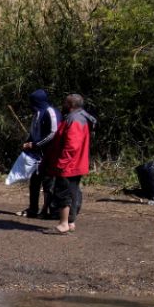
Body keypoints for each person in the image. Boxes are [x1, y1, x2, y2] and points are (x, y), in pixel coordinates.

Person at [40, 94, 94, 234]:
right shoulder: (80, 117)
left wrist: (61, 163)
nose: (63, 105)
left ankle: (63, 224)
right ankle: (70, 222)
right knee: (72, 192)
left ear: (70, 105)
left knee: (63, 193)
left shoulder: (75, 119)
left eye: (65, 102)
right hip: (75, 164)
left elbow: (72, 145)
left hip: (69, 165)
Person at [19, 89, 61, 218]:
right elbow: (34, 131)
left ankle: (49, 211)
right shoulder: (37, 113)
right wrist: (28, 142)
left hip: (49, 154)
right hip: (36, 155)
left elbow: (53, 133)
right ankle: (33, 209)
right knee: (35, 182)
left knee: (48, 184)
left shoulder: (50, 112)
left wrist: (35, 144)